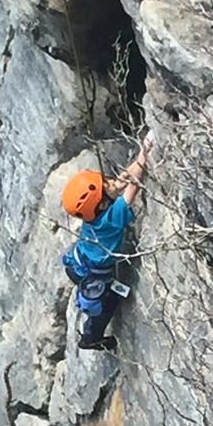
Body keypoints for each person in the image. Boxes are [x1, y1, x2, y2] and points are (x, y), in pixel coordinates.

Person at [61, 134, 153, 351]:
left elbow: (121, 182)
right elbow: (133, 186)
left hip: (77, 265)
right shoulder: (111, 218)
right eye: (105, 185)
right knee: (107, 305)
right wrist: (145, 153)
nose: (112, 181)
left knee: (102, 294)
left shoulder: (93, 215)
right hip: (95, 275)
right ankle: (91, 338)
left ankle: (91, 319)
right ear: (101, 203)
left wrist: (140, 156)